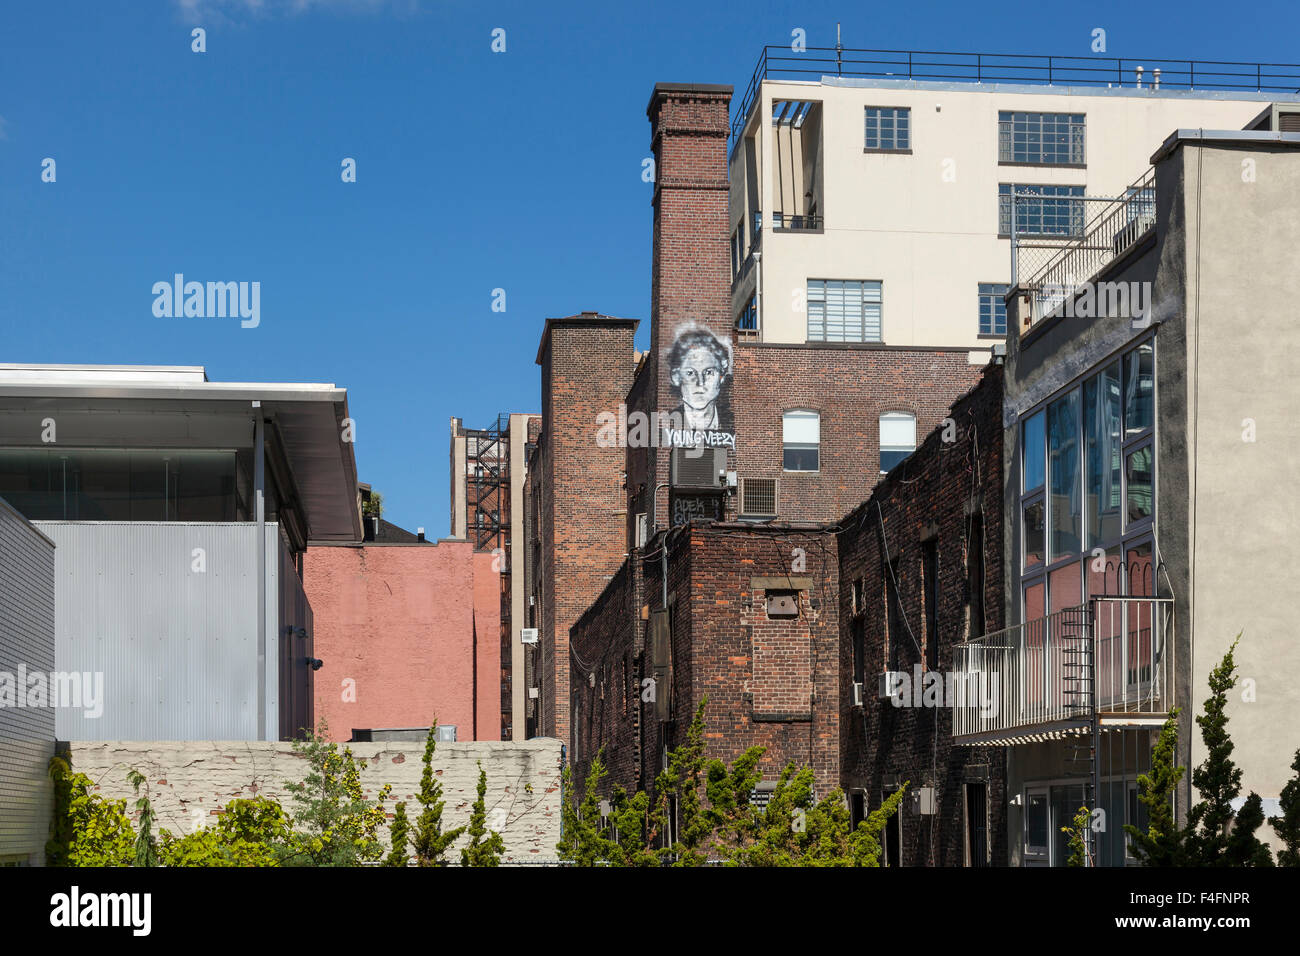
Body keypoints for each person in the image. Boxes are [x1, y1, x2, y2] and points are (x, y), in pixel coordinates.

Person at [665, 327, 734, 434]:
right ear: (676, 377)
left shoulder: (734, 423)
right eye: (690, 373)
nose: (700, 382)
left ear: (722, 376)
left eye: (709, 372)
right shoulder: (667, 424)